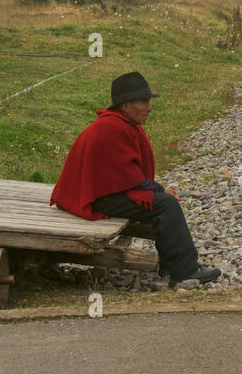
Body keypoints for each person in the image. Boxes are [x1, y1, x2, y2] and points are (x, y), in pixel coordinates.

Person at [50, 71, 221, 286]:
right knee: (166, 205)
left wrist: (156, 189)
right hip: (100, 199)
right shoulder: (112, 128)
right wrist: (159, 189)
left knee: (163, 203)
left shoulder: (119, 123)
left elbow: (126, 175)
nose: (149, 108)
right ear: (125, 105)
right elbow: (129, 178)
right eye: (144, 102)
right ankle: (185, 271)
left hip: (105, 192)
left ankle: (173, 264)